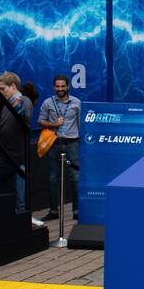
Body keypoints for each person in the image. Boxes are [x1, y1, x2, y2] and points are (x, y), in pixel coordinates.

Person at [37, 73, 81, 221]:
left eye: (63, 86)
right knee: (53, 178)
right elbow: (40, 122)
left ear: (68, 86)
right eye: (57, 86)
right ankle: (54, 211)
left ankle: (77, 210)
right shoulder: (47, 103)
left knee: (75, 177)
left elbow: (81, 124)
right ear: (54, 87)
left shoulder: (76, 103)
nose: (60, 88)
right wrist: (53, 124)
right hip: (54, 143)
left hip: (72, 143)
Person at [0, 71, 33, 214]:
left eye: (2, 89)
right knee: (7, 186)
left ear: (12, 86)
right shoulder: (6, 104)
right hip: (4, 150)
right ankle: (11, 213)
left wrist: (19, 109)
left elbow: (25, 117)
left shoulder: (24, 100)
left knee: (3, 181)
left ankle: (20, 212)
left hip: (13, 152)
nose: (0, 92)